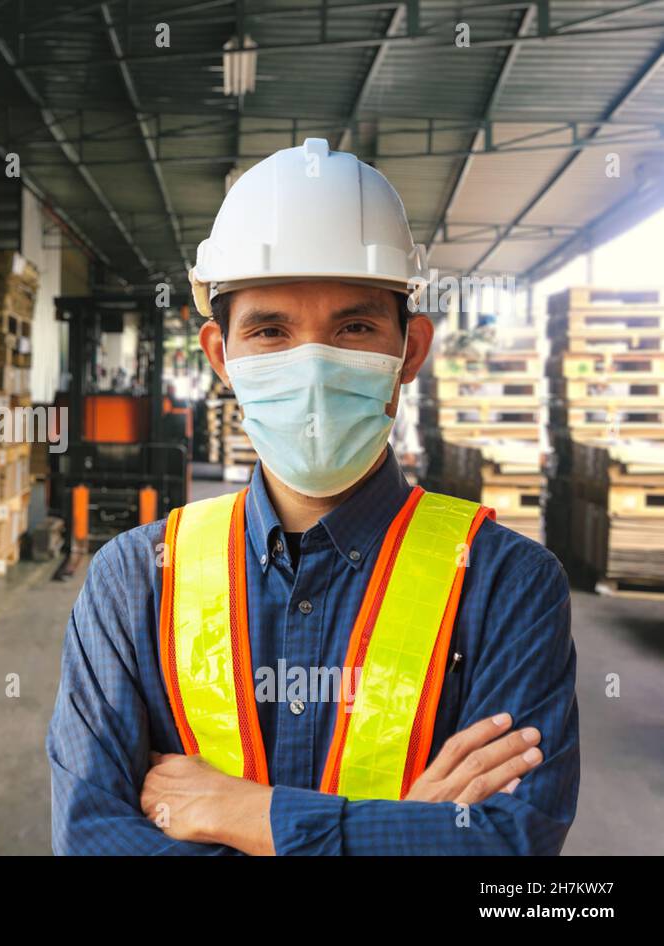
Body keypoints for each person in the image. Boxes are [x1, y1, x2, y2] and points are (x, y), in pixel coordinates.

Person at [45, 139, 578, 855]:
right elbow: (92, 839)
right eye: (270, 331)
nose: (315, 366)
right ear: (219, 356)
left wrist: (249, 814)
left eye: (353, 328)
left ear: (409, 350)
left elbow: (508, 851)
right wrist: (393, 835)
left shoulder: (508, 584)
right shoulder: (134, 580)